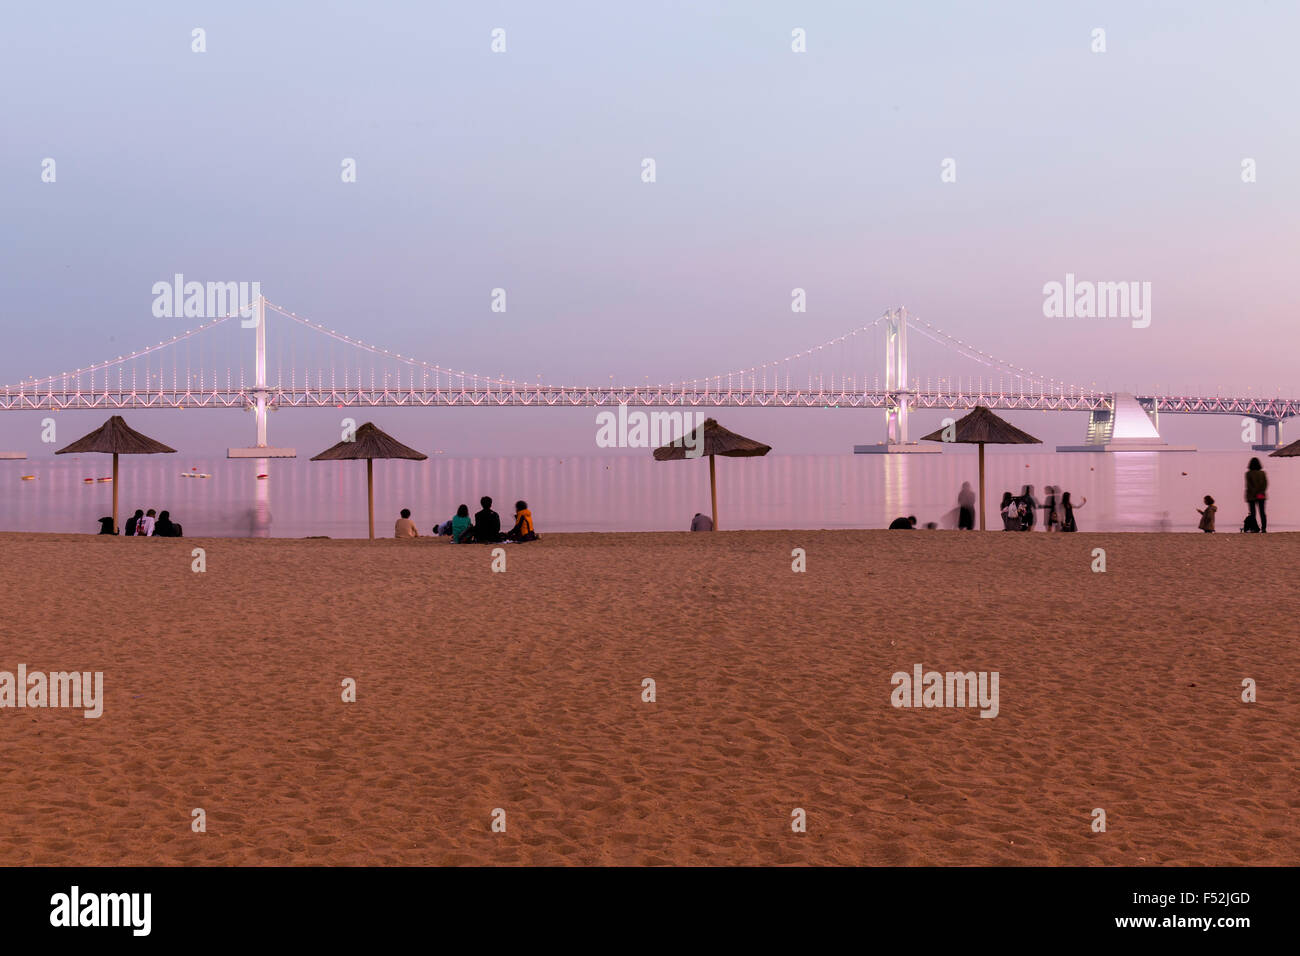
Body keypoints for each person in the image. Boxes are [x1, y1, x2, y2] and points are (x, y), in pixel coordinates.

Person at [1245, 457, 1268, 532]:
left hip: (1251, 495)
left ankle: (1255, 528)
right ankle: (1264, 528)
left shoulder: (1248, 473)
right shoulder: (1262, 473)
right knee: (1262, 512)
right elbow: (1265, 484)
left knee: (1253, 513)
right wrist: (1260, 492)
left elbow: (1248, 485)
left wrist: (1254, 492)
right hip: (1261, 494)